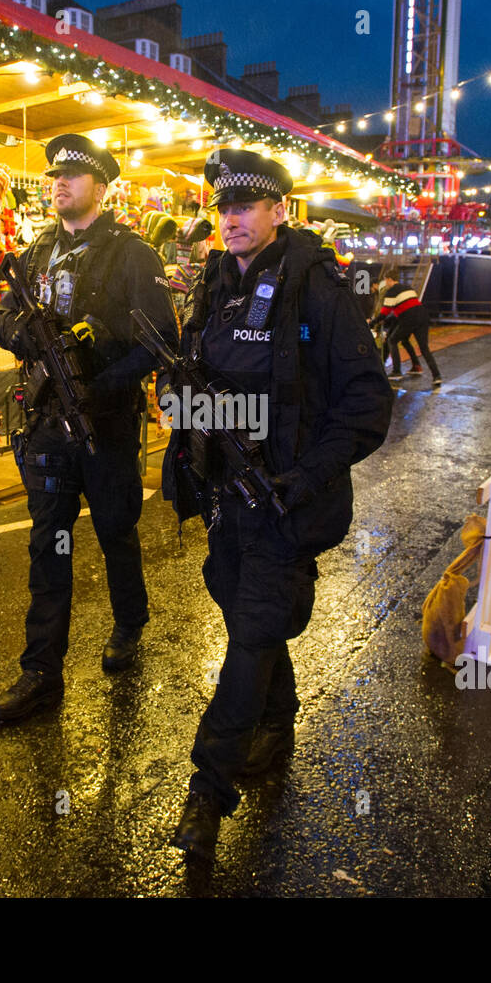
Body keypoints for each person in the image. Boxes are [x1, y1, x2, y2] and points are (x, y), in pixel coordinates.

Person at [164, 148, 393, 860]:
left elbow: (367, 403)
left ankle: (209, 788)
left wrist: (306, 477)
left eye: (245, 206)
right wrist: (185, 442)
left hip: (284, 500)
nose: (230, 218)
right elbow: (195, 383)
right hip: (226, 496)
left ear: (278, 211)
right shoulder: (214, 282)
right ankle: (279, 718)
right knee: (239, 605)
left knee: (254, 627)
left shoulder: (313, 286)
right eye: (222, 206)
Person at [0, 134, 179, 722]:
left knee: (117, 528)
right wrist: (16, 333)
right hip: (47, 423)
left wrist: (101, 383)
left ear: (101, 185)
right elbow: (0, 315)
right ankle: (41, 672)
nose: (58, 183)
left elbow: (163, 343)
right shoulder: (36, 250)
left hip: (107, 424)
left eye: (71, 175)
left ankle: (129, 622)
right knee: (49, 543)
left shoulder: (132, 254)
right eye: (53, 176)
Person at [374, 272, 441, 384]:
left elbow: (384, 313)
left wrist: (372, 323)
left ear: (390, 279)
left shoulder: (391, 291)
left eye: (386, 281)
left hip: (409, 319)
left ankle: (396, 372)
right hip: (423, 317)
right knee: (422, 347)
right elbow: (406, 305)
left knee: (392, 340)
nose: (386, 283)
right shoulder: (408, 288)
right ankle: (436, 375)